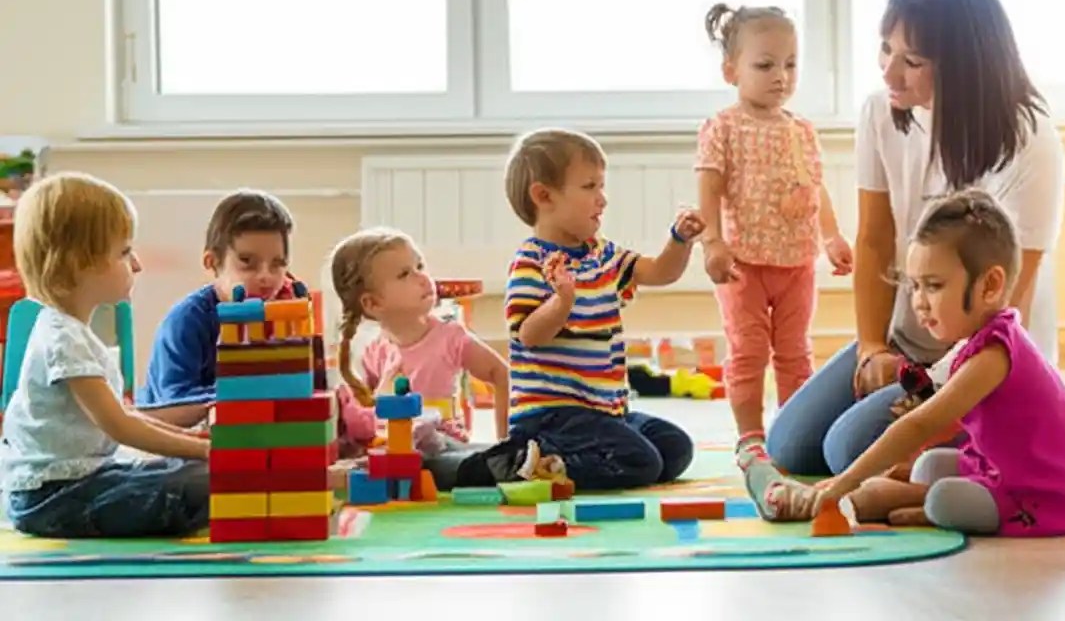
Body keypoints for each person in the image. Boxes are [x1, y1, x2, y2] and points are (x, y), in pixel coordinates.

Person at [767, 0, 1065, 483]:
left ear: (963, 65)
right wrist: (872, 348)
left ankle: (980, 447)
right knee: (790, 445)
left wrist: (939, 387)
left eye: (912, 60)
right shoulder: (882, 114)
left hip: (982, 358)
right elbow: (875, 239)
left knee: (845, 452)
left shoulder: (1030, 143)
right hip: (909, 338)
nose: (889, 72)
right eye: (885, 49)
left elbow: (1007, 306)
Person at [804, 188, 1065, 538]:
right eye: (914, 286)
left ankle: (922, 505)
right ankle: (919, 501)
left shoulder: (993, 355)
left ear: (989, 285)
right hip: (998, 467)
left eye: (934, 286)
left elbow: (920, 424)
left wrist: (845, 481)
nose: (919, 303)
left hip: (1042, 495)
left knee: (943, 497)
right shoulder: (975, 343)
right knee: (928, 465)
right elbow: (945, 426)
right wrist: (899, 465)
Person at [455, 128, 701, 491]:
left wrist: (680, 240)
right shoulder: (531, 262)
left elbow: (659, 271)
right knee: (641, 462)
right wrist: (562, 302)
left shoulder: (601, 254)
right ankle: (522, 461)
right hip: (551, 416)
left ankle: (556, 462)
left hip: (605, 410)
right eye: (589, 187)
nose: (602, 200)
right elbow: (529, 335)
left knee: (676, 449)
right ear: (543, 195)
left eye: (601, 187)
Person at [694, 2, 852, 519]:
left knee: (794, 352)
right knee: (748, 351)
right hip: (743, 262)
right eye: (765, 65)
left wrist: (831, 238)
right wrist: (713, 243)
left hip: (796, 261)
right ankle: (749, 437)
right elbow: (710, 187)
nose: (780, 76)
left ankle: (792, 433)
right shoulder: (723, 126)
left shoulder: (801, 130)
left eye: (790, 64)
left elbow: (815, 187)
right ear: (731, 71)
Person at [1, 172, 210, 538]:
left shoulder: (73, 332)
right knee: (201, 484)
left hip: (84, 478)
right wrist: (206, 453)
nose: (138, 265)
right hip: (55, 498)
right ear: (79, 263)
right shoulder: (62, 338)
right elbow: (120, 426)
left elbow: (124, 413)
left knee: (190, 469)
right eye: (124, 252)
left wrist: (195, 443)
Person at [328, 226, 510, 459]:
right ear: (372, 303)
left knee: (464, 461)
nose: (423, 278)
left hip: (443, 449)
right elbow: (371, 418)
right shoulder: (376, 350)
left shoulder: (451, 337)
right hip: (399, 453)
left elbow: (501, 373)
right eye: (405, 274)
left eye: (420, 266)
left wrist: (505, 441)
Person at [135, 190, 301, 428]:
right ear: (212, 262)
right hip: (178, 442)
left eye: (278, 264)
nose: (266, 277)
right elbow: (171, 406)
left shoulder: (284, 312)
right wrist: (247, 392)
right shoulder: (187, 321)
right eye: (247, 262)